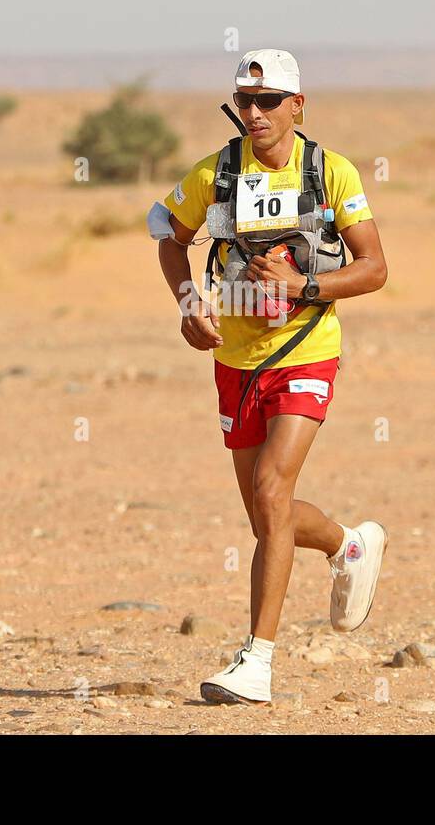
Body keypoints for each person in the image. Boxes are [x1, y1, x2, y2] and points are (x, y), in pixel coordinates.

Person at [151, 49, 389, 705]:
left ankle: (257, 661)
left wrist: (305, 284)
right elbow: (169, 237)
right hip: (235, 358)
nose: (253, 113)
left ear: (297, 106)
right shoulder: (216, 172)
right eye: (244, 101)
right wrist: (186, 300)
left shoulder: (329, 172)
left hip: (307, 350)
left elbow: (373, 268)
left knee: (272, 489)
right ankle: (349, 545)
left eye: (268, 101)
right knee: (267, 514)